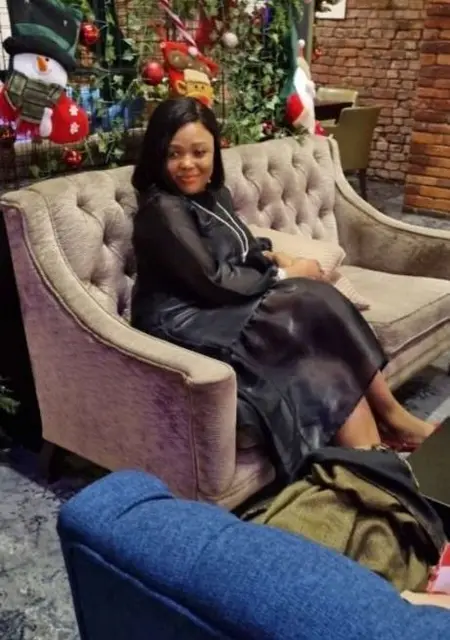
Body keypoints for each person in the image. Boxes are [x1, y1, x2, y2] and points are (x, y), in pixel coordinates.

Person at [130, 96, 435, 483]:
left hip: (218, 304)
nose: (187, 164)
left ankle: (376, 454)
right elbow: (211, 278)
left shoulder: (214, 195)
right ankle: (391, 425)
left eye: (199, 152)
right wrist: (285, 275)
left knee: (320, 349)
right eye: (174, 154)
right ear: (158, 154)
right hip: (183, 319)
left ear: (214, 152)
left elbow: (240, 246)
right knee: (309, 298)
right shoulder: (163, 209)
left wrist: (274, 256)